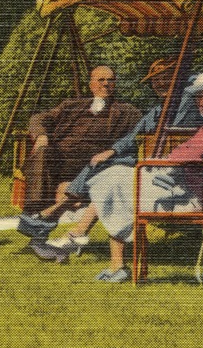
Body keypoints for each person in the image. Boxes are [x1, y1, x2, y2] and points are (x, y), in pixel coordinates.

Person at [74, 69, 203, 282]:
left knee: (112, 181)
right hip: (184, 186)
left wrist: (156, 163)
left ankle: (111, 259)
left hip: (190, 195)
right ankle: (105, 254)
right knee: (112, 178)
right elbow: (183, 153)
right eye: (199, 97)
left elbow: (185, 154)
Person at [31, 59, 203, 259]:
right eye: (155, 80)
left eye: (165, 78)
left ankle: (59, 214)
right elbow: (132, 136)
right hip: (151, 167)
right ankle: (77, 233)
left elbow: (194, 86)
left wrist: (184, 79)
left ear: (177, 79)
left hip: (170, 173)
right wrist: (111, 151)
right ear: (91, 84)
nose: (159, 84)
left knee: (108, 174)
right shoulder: (158, 109)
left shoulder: (187, 102)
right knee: (104, 167)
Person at [15, 65, 142, 242]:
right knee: (43, 152)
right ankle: (34, 213)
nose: (106, 84)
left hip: (92, 166)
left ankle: (39, 222)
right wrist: (42, 135)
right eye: (101, 80)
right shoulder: (72, 105)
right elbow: (38, 118)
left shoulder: (128, 112)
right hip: (59, 161)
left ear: (115, 84)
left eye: (110, 80)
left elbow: (131, 141)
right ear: (91, 84)